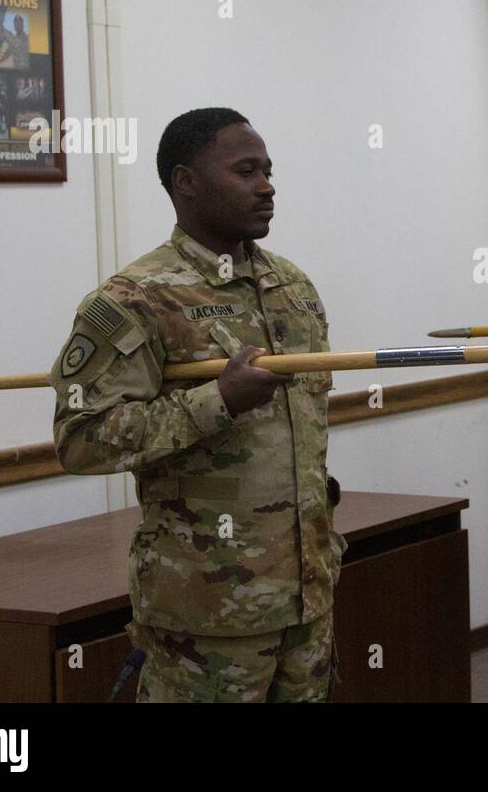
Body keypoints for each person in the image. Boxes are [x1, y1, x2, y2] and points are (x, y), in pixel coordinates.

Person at [50, 107, 343, 702]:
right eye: (246, 171)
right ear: (186, 181)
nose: (267, 186)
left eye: (268, 171)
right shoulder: (137, 298)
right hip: (207, 612)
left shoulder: (292, 287)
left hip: (307, 593)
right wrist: (216, 402)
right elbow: (80, 440)